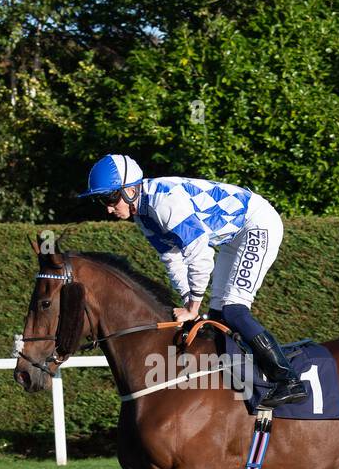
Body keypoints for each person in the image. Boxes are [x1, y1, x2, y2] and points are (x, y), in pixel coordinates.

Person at [79, 154, 307, 407]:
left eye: (111, 198)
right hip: (232, 236)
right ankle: (239, 380)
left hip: (256, 223)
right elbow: (173, 260)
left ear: (131, 189)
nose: (109, 207)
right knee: (218, 315)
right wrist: (190, 302)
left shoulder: (164, 202)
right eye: (103, 200)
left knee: (234, 309)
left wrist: (192, 308)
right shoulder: (143, 216)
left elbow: (200, 255)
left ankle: (288, 380)